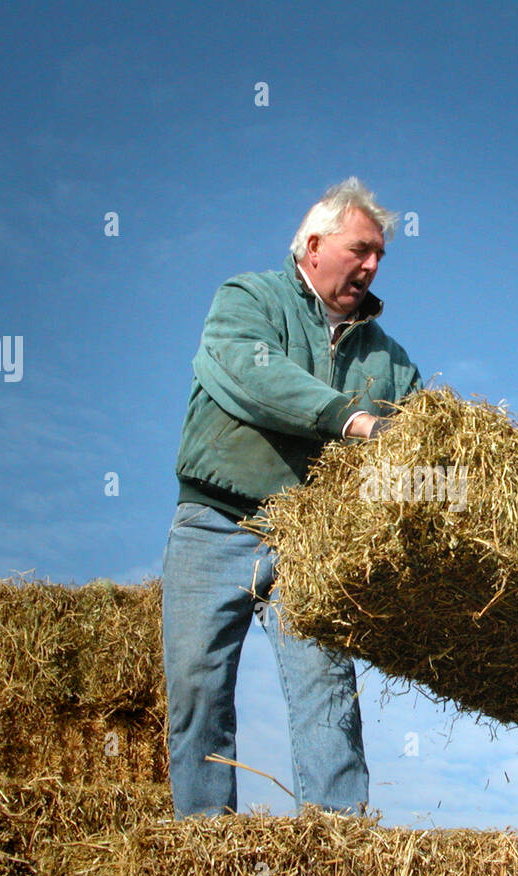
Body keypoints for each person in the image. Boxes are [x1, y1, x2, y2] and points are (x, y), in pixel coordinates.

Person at [163, 177, 422, 819]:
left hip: (311, 545)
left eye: (380, 256)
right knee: (198, 692)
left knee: (329, 699)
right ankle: (203, 849)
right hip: (217, 521)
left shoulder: (390, 360)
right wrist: (353, 420)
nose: (372, 265)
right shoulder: (248, 299)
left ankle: (340, 854)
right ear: (313, 244)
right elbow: (253, 377)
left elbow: (420, 440)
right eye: (361, 248)